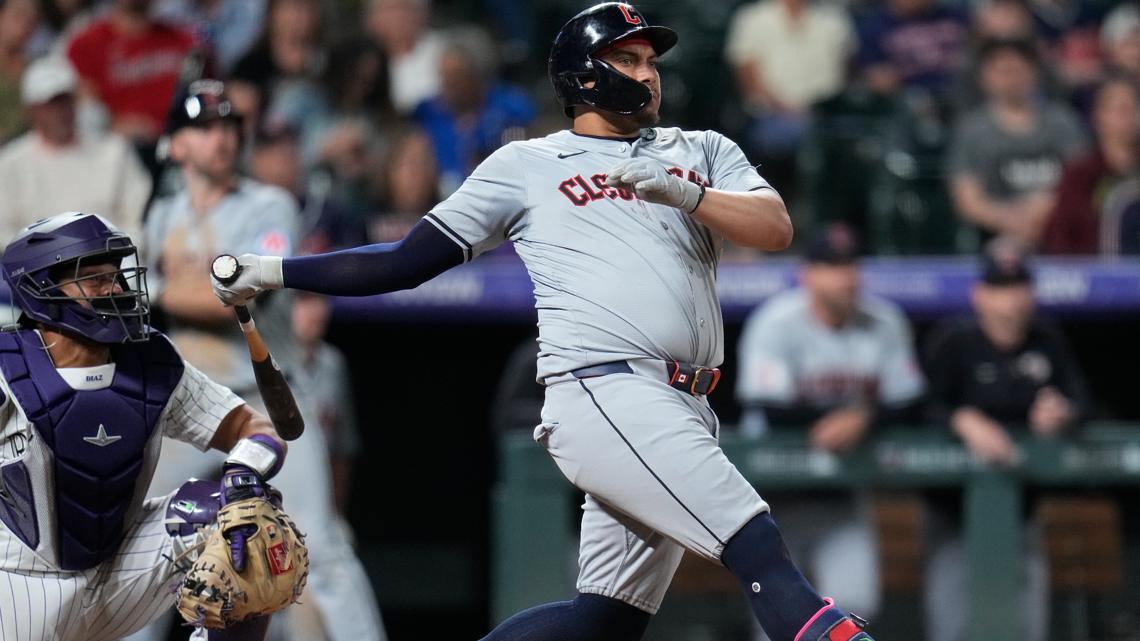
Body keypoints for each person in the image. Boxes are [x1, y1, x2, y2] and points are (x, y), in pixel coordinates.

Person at [211, 4, 877, 641]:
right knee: (755, 542)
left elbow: (776, 227)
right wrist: (273, 272)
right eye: (631, 58)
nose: (648, 73)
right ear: (585, 75)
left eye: (652, 61)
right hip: (607, 389)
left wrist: (687, 192)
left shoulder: (699, 148)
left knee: (603, 623)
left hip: (684, 400)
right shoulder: (527, 165)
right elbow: (405, 260)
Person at [137, 79, 385, 641]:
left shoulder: (269, 204)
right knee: (145, 552)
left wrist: (155, 290)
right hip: (190, 410)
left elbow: (239, 296)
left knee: (320, 547)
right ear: (175, 145)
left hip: (264, 402)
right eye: (203, 127)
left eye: (228, 126)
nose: (220, 137)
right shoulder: (159, 213)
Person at [0, 211, 292, 641]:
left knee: (245, 520)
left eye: (116, 276)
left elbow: (256, 427)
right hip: (18, 586)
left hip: (119, 575)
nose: (115, 289)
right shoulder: (7, 367)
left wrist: (243, 473)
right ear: (42, 289)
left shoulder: (152, 361)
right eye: (94, 279)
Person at [734, 223, 926, 634]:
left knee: (856, 604)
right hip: (771, 498)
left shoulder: (885, 321)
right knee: (774, 618)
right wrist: (842, 419)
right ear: (807, 274)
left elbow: (909, 401)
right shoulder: (775, 321)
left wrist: (862, 417)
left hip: (841, 494)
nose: (845, 276)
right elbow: (769, 407)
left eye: (850, 265)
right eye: (831, 265)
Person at [922, 236, 1089, 641]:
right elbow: (918, 406)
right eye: (1000, 290)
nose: (1011, 301)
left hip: (1022, 510)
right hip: (952, 512)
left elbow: (1081, 400)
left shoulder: (1046, 338)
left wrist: (1062, 411)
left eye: (1018, 288)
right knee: (952, 627)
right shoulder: (954, 340)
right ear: (980, 295)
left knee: (1026, 628)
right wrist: (962, 418)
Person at [946, 37, 1088, 250]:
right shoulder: (971, 130)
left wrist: (1041, 212)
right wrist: (1010, 219)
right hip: (994, 236)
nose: (1011, 79)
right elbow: (967, 199)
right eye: (1002, 72)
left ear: (1034, 73)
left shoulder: (1062, 121)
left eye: (1017, 70)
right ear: (984, 77)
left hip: (1061, 229)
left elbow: (1083, 179)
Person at [0, 56, 152, 244]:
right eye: (50, 104)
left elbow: (138, 217)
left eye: (65, 101)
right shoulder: (10, 163)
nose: (60, 111)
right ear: (32, 110)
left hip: (110, 261)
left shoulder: (114, 151)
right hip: (39, 268)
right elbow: (5, 232)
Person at [1041, 76, 1140, 255]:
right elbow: (1063, 233)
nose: (1130, 117)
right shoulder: (1079, 173)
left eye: (1135, 109)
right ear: (1098, 116)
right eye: (1121, 109)